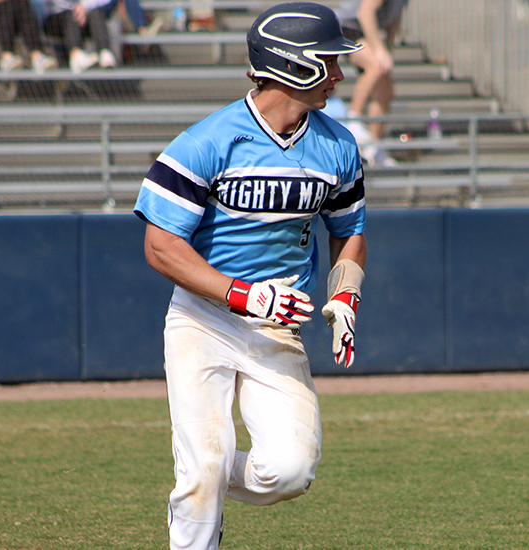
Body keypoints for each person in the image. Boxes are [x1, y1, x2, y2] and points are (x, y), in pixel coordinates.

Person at [133, 3, 368, 548]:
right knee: (201, 474)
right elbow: (160, 246)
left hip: (275, 325)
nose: (337, 73)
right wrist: (242, 294)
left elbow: (349, 230)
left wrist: (346, 297)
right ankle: (199, 484)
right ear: (295, 65)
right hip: (204, 319)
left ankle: (205, 474)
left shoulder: (337, 145)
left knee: (289, 470)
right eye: (328, 60)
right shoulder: (207, 141)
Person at [336, 0, 408, 167]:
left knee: (386, 91)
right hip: (347, 28)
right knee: (375, 65)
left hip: (364, 32)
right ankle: (353, 118)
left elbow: (395, 22)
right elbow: (365, 14)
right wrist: (379, 49)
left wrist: (388, 49)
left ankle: (373, 148)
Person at [42, 0, 116, 72]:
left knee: (96, 13)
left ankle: (104, 53)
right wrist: (76, 7)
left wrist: (84, 6)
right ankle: (76, 55)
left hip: (84, 15)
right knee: (71, 15)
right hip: (56, 17)